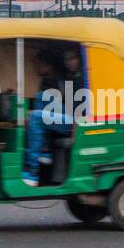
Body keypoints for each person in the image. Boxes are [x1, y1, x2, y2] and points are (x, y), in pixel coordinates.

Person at [22, 47, 82, 187]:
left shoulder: (83, 79)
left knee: (35, 117)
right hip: (68, 114)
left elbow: (82, 110)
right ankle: (45, 149)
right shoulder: (71, 77)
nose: (69, 62)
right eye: (67, 59)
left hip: (75, 122)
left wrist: (75, 132)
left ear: (79, 60)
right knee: (41, 96)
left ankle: (32, 171)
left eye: (73, 58)